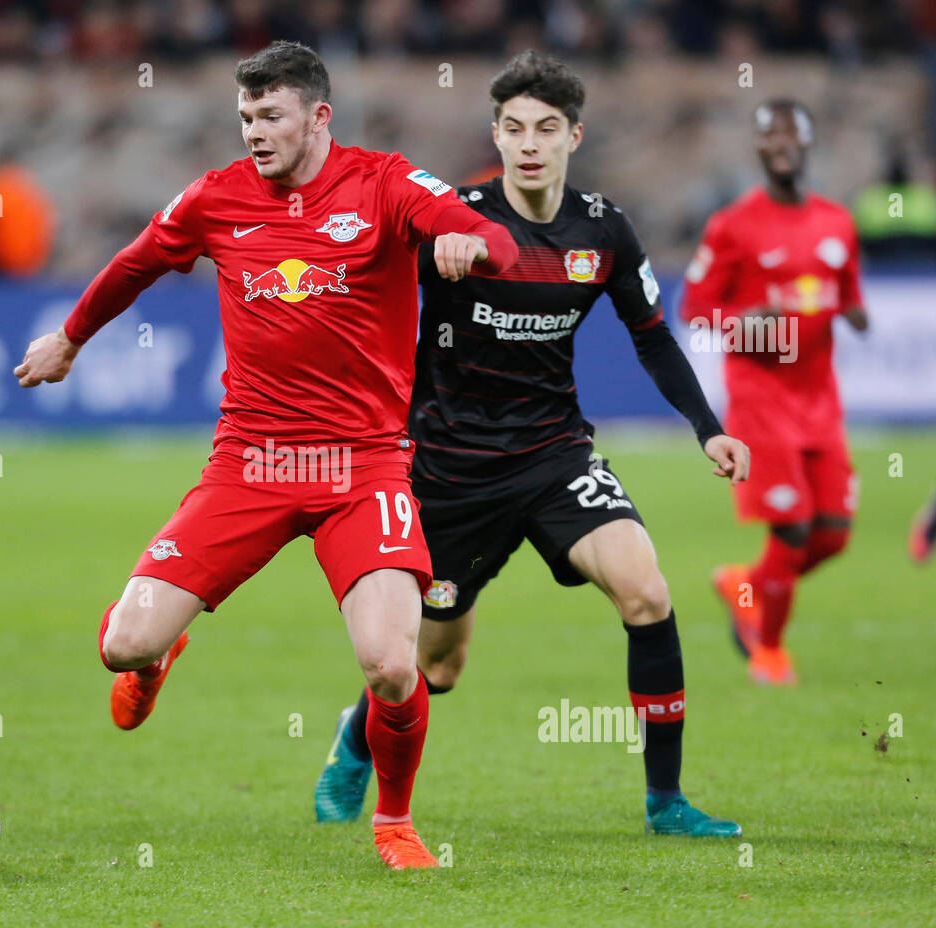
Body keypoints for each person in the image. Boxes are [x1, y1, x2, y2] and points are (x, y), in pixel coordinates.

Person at [13, 41, 518, 870]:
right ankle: (161, 652)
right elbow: (138, 262)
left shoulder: (385, 183)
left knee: (393, 665)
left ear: (318, 117)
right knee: (123, 646)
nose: (253, 131)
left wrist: (469, 248)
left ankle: (394, 824)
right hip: (251, 462)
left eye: (270, 116)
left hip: (363, 468)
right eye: (245, 116)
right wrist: (70, 340)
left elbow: (485, 234)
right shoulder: (218, 198)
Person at [314, 51, 747, 838]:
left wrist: (708, 428)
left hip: (554, 457)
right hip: (447, 471)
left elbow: (652, 337)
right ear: (497, 135)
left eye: (546, 129)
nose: (529, 144)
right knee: (433, 667)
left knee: (647, 591)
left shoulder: (603, 229)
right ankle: (354, 738)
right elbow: (363, 277)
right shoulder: (454, 216)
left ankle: (666, 802)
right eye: (514, 129)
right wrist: (430, 251)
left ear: (573, 136)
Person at [681, 99, 868, 686]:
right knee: (791, 528)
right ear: (759, 148)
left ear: (809, 142)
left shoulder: (837, 221)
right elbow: (696, 309)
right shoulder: (733, 224)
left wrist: (854, 313)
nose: (783, 144)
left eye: (793, 133)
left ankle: (742, 584)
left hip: (819, 399)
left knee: (832, 535)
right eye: (770, 136)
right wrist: (744, 321)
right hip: (760, 398)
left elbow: (848, 294)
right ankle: (769, 649)